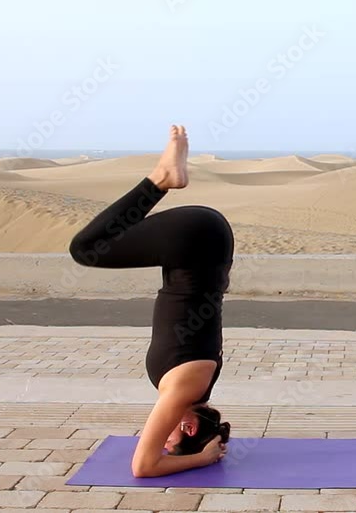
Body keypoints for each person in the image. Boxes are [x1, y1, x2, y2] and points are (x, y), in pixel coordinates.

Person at [68, 125, 233, 477]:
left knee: (95, 245)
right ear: (188, 428)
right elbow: (144, 467)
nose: (161, 438)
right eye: (169, 441)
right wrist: (201, 459)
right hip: (196, 242)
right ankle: (162, 176)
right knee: (85, 249)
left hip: (204, 243)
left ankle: (164, 176)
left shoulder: (198, 381)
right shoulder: (185, 389)